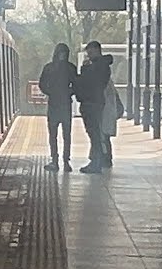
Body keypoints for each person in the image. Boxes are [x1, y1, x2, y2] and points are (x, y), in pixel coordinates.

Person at [74, 41, 113, 174]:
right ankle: (97, 160)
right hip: (93, 102)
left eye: (90, 53)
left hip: (92, 103)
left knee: (95, 134)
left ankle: (96, 162)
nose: (89, 56)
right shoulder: (101, 65)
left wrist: (83, 70)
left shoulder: (99, 66)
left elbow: (90, 82)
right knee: (94, 134)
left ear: (97, 50)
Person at [38, 43, 77, 172]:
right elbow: (76, 84)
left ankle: (61, 160)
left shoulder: (49, 68)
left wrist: (51, 92)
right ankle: (59, 160)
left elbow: (42, 84)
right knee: (61, 134)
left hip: (56, 104)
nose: (63, 55)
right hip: (63, 104)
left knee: (60, 134)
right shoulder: (70, 68)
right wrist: (68, 92)